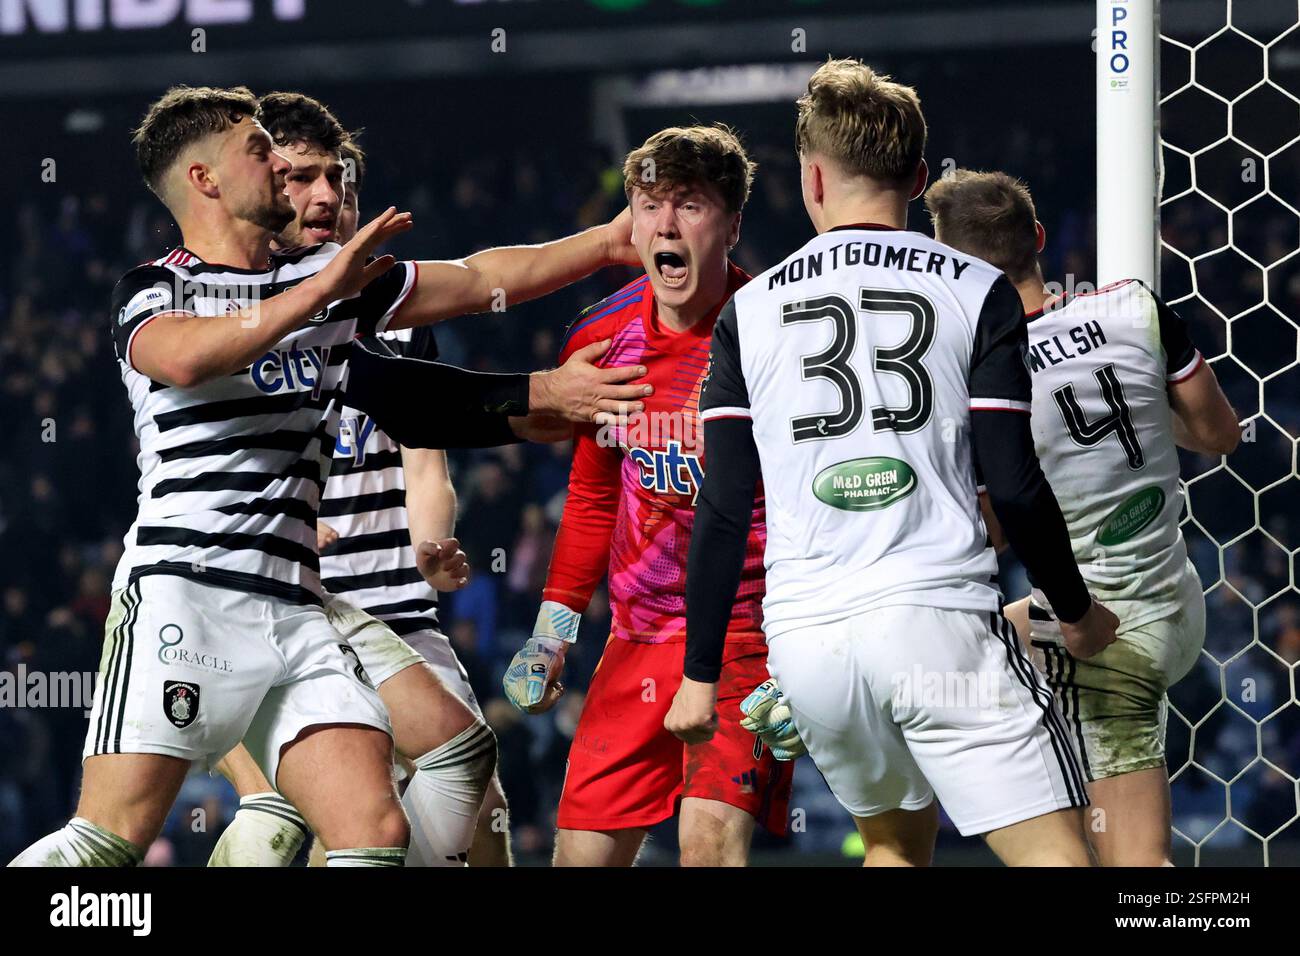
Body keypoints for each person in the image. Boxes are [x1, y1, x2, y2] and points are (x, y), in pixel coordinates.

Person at [10, 84, 636, 867]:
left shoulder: (331, 289)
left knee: (374, 829)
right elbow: (184, 358)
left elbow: (480, 280)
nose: (281, 164)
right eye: (258, 150)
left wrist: (608, 245)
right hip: (186, 595)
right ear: (204, 180)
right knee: (105, 846)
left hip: (299, 609)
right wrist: (321, 292)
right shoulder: (156, 289)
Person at [666, 59, 1117, 867]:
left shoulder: (749, 311)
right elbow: (1012, 483)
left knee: (894, 847)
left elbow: (725, 507)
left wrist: (701, 674)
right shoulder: (979, 290)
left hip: (808, 647)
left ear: (811, 178)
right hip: (936, 623)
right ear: (916, 175)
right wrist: (1077, 611)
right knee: (1062, 859)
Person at [926, 168, 1239, 865]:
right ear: (1038, 239)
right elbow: (1221, 434)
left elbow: (994, 529)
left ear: (952, 278)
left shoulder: (983, 381)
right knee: (956, 649)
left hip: (1105, 641)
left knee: (1139, 874)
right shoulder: (1135, 308)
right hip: (1177, 600)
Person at [502, 126, 793, 866]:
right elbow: (594, 494)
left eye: (689, 206)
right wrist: (552, 632)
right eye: (649, 205)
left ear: (731, 224)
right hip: (634, 639)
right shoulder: (601, 337)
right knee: (580, 859)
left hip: (744, 638)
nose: (664, 225)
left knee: (708, 847)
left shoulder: (776, 333)